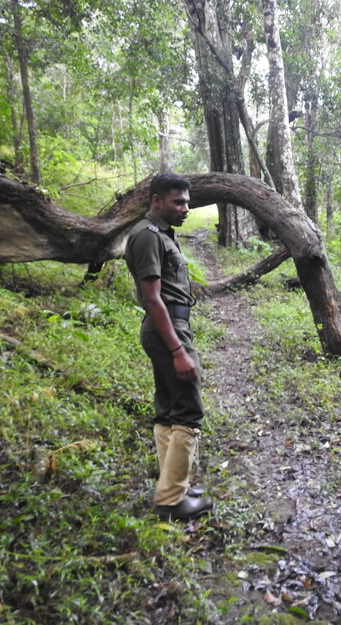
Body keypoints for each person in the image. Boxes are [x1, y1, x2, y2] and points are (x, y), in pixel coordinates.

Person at [125, 173, 212, 521]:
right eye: (178, 202)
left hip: (169, 327)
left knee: (168, 409)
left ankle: (174, 482)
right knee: (189, 410)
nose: (185, 208)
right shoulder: (147, 236)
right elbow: (152, 298)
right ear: (156, 200)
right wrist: (177, 350)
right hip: (167, 330)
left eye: (188, 202)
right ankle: (171, 500)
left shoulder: (161, 236)